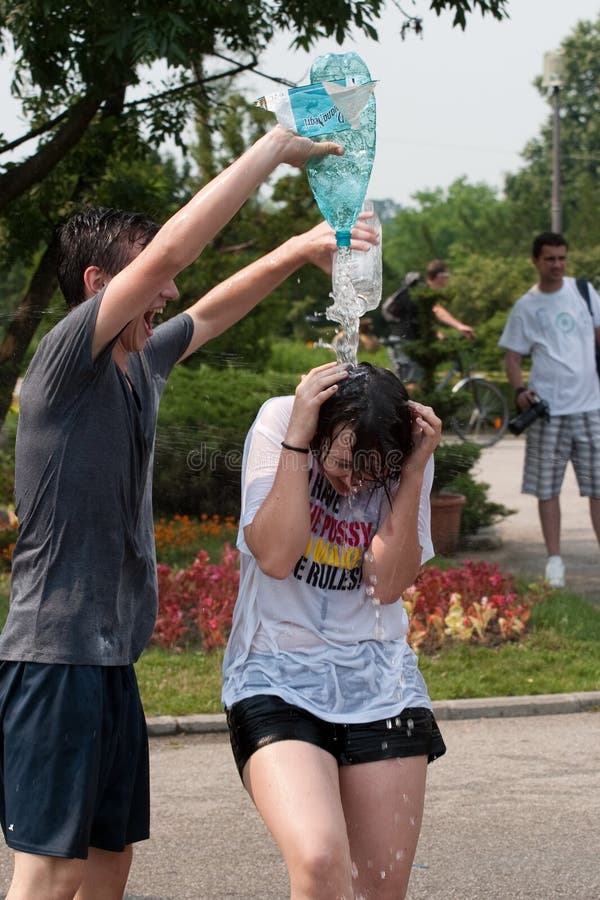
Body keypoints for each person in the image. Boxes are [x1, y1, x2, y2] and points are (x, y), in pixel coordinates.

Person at [0, 126, 377, 900]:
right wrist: (274, 149)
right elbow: (174, 258)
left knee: (110, 861)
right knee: (48, 870)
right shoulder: (65, 360)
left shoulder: (138, 365)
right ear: (102, 283)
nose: (165, 293)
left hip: (109, 658)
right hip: (54, 655)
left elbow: (207, 311)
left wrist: (298, 251)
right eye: (147, 282)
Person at [222, 360, 446, 900]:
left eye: (376, 473)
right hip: (274, 672)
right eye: (345, 463)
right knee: (321, 858)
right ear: (320, 427)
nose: (356, 483)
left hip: (379, 680)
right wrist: (299, 441)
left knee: (379, 887)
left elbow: (387, 584)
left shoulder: (405, 457)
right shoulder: (283, 422)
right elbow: (275, 556)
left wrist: (412, 472)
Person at [499, 231, 600, 588]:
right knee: (547, 489)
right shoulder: (526, 306)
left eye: (562, 258)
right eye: (550, 259)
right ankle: (554, 561)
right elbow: (512, 357)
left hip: (591, 408)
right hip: (548, 411)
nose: (557, 265)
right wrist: (519, 389)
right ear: (536, 261)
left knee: (598, 488)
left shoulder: (585, 292)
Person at [382, 259, 475, 383]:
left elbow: (422, 318)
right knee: (411, 384)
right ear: (439, 276)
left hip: (407, 340)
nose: (447, 280)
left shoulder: (421, 291)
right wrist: (459, 326)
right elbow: (437, 310)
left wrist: (435, 332)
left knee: (417, 382)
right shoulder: (423, 292)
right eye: (447, 276)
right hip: (404, 342)